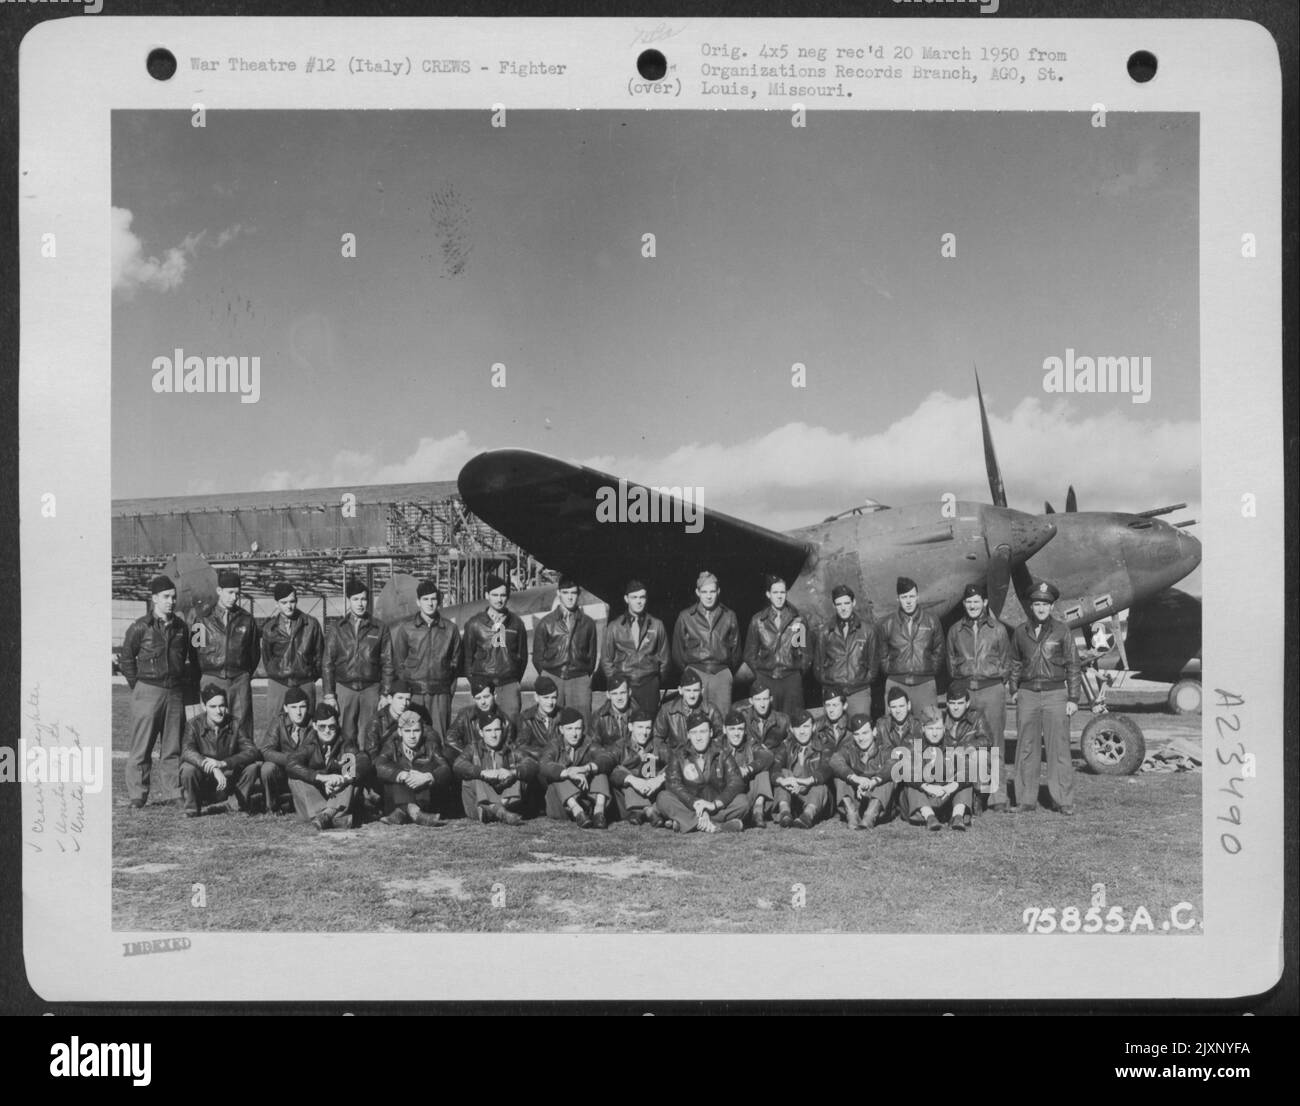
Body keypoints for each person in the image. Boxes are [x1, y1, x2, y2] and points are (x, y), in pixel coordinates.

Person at [1009, 580, 1082, 816]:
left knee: (1059, 748)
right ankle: (1025, 799)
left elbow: (1073, 664)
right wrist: (1013, 689)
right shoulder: (1020, 631)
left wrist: (1073, 697)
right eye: (1037, 604)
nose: (1041, 608)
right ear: (1031, 606)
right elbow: (1015, 662)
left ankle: (1063, 800)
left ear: (1052, 607)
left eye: (1046, 604)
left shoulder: (1062, 631)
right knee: (1026, 748)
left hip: (1055, 694)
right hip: (1028, 693)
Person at [120, 574, 193, 808]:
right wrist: (138, 685)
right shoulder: (141, 627)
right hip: (148, 690)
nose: (171, 601)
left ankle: (173, 792)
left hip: (174, 693)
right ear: (154, 599)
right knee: (141, 746)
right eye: (166, 597)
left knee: (172, 746)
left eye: (173, 597)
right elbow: (126, 659)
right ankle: (137, 795)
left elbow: (190, 658)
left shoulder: (182, 628)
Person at [946, 582, 1013, 811]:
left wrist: (994, 682)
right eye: (968, 602)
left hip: (991, 689)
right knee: (965, 741)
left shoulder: (998, 629)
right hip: (965, 690)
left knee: (994, 742)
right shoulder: (955, 631)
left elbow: (1006, 662)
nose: (973, 605)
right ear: (964, 604)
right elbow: (951, 663)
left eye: (977, 601)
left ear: (984, 602)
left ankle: (997, 796)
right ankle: (971, 794)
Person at [384, 579, 462, 739]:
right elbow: (398, 663)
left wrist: (448, 693)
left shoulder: (450, 629)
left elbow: (455, 664)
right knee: (413, 736)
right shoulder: (406, 628)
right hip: (415, 694)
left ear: (439, 601)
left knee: (439, 739)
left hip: (440, 694)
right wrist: (406, 693)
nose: (430, 603)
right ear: (418, 602)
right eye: (425, 599)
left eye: (433, 599)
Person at [193, 569, 261, 746]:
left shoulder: (247, 620)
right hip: (211, 679)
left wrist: (243, 674)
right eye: (230, 593)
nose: (234, 598)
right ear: (219, 591)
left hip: (239, 680)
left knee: (242, 726)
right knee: (210, 727)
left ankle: (243, 769)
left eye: (237, 593)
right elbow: (194, 653)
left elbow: (254, 653)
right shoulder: (201, 620)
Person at [323, 578, 390, 749]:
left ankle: (367, 774)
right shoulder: (338, 628)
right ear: (348, 601)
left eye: (364, 599)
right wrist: (329, 694)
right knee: (346, 736)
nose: (360, 603)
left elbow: (387, 662)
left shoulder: (379, 628)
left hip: (371, 690)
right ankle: (348, 773)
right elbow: (327, 663)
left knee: (369, 735)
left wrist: (385, 693)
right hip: (345, 690)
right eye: (356, 599)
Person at [897, 702, 987, 831]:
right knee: (912, 785)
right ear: (923, 728)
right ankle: (930, 818)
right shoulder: (912, 743)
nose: (935, 734)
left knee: (963, 783)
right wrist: (927, 787)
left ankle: (957, 817)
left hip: (945, 797)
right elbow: (904, 768)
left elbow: (968, 769)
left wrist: (953, 785)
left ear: (944, 728)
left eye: (938, 729)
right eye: (931, 729)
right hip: (923, 799)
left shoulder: (953, 744)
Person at [655, 713, 749, 833]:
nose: (698, 737)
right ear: (688, 735)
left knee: (743, 802)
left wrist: (714, 805)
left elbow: (736, 782)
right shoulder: (679, 755)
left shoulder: (722, 753)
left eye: (703, 732)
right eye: (694, 733)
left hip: (716, 808)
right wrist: (695, 803)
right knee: (663, 798)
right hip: (690, 806)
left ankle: (687, 822)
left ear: (710, 733)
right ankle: (716, 826)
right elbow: (673, 783)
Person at [179, 684, 260, 818]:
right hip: (205, 779)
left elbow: (252, 751)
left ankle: (236, 805)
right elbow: (187, 751)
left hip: (228, 778)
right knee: (188, 769)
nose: (219, 711)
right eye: (213, 706)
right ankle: (192, 808)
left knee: (252, 768)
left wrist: (224, 763)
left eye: (222, 706)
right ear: (204, 706)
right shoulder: (193, 725)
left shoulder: (235, 723)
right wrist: (212, 767)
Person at [286, 702, 368, 830]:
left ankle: (325, 816)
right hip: (315, 795)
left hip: (338, 793)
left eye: (331, 727)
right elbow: (291, 763)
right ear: (314, 725)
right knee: (294, 778)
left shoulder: (345, 742)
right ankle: (335, 818)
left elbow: (362, 759)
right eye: (322, 727)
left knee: (352, 776)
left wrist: (344, 779)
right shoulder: (309, 743)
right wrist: (322, 778)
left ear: (337, 725)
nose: (327, 731)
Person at [671, 571, 742, 714]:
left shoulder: (729, 616)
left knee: (722, 717)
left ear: (718, 591)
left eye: (712, 591)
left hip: (721, 674)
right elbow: (677, 652)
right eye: (704, 592)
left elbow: (736, 652)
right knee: (696, 718)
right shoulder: (685, 616)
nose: (709, 596)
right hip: (695, 672)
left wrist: (726, 672)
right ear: (697, 592)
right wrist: (689, 671)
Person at [461, 574, 528, 726]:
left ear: (508, 597)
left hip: (508, 685)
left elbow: (522, 656)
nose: (499, 599)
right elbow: (467, 658)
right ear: (487, 596)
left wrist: (514, 680)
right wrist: (477, 684)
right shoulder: (474, 624)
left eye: (503, 595)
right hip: (484, 685)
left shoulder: (517, 624)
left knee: (511, 725)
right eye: (495, 595)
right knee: (485, 727)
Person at [531, 577, 599, 720]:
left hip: (579, 677)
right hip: (553, 675)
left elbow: (591, 656)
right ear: (558, 593)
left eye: (573, 593)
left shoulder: (588, 623)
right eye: (565, 592)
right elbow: (537, 657)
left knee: (582, 719)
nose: (570, 597)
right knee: (552, 719)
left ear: (578, 594)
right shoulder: (546, 623)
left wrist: (584, 676)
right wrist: (547, 674)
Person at [601, 579, 671, 716]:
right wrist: (617, 683)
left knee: (648, 726)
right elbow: (606, 659)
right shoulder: (614, 627)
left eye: (642, 597)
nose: (639, 601)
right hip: (624, 683)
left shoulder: (657, 625)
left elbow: (665, 659)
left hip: (648, 685)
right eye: (634, 597)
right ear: (626, 599)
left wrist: (655, 681)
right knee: (625, 726)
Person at [876, 576, 945, 715]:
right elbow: (882, 653)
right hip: (897, 683)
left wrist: (929, 670)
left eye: (912, 596)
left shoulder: (932, 621)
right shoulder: (887, 623)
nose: (908, 601)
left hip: (924, 684)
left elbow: (939, 649)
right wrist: (891, 670)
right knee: (895, 729)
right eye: (904, 597)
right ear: (898, 599)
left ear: (917, 597)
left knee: (928, 727)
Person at [742, 574, 810, 715]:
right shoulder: (758, 621)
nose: (779, 596)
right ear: (768, 594)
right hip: (767, 680)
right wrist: (762, 673)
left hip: (791, 680)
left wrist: (796, 673)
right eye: (775, 592)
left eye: (782, 592)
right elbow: (749, 654)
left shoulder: (797, 620)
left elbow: (806, 654)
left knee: (794, 721)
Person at [453, 713, 536, 824]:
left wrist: (512, 772)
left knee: (519, 774)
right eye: (488, 731)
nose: (493, 735)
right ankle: (498, 810)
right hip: (477, 806)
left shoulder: (511, 749)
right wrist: (482, 772)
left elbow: (531, 763)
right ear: (481, 733)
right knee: (473, 776)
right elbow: (458, 764)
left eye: (497, 730)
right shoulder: (473, 748)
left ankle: (496, 809)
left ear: (503, 731)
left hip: (507, 801)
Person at [371, 709, 450, 827]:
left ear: (422, 731)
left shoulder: (430, 745)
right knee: (394, 768)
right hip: (395, 798)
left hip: (423, 797)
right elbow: (378, 765)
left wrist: (427, 777)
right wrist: (401, 774)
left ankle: (402, 813)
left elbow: (445, 768)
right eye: (407, 731)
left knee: (429, 766)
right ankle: (414, 812)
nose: (412, 736)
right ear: (400, 732)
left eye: (416, 731)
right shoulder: (391, 745)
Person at [539, 707, 614, 829]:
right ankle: (577, 812)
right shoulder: (554, 745)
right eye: (569, 729)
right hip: (561, 803)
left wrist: (586, 768)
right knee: (558, 776)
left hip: (585, 798)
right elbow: (543, 765)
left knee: (600, 771)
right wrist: (567, 772)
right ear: (561, 729)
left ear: (583, 729)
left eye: (578, 728)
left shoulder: (588, 742)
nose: (574, 734)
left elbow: (606, 758)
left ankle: (599, 813)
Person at [260, 581, 324, 721]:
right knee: (275, 724)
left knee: (307, 724)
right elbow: (266, 657)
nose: (289, 606)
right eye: (284, 602)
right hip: (279, 684)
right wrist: (276, 673)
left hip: (305, 682)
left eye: (292, 601)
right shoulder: (269, 628)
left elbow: (320, 654)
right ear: (276, 604)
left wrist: (310, 675)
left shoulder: (311, 624)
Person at [814, 584, 879, 719]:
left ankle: (918, 742)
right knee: (835, 733)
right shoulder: (825, 632)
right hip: (834, 693)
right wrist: (831, 684)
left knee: (861, 731)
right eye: (839, 604)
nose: (843, 608)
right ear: (834, 605)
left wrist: (861, 682)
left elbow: (873, 666)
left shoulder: (868, 631)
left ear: (853, 603)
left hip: (858, 692)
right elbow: (818, 666)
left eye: (846, 603)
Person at [830, 713, 897, 830]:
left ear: (874, 732)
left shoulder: (885, 749)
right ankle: (852, 815)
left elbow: (892, 764)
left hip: (879, 803)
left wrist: (873, 781)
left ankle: (869, 817)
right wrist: (856, 779)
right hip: (857, 800)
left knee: (888, 779)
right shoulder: (849, 748)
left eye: (865, 733)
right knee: (840, 775)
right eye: (857, 734)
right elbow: (835, 760)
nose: (861, 738)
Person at [942, 679, 997, 819]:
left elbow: (987, 739)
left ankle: (978, 798)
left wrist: (964, 747)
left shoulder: (976, 717)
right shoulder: (940, 718)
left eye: (960, 703)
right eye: (952, 704)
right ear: (947, 704)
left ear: (967, 703)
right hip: (946, 764)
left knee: (981, 757)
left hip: (967, 762)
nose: (956, 708)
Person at [769, 710, 834, 828]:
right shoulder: (786, 745)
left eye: (806, 726)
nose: (802, 731)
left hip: (816, 798)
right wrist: (784, 781)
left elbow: (826, 767)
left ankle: (807, 816)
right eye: (797, 727)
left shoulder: (823, 744)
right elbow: (775, 767)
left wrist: (806, 781)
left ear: (813, 727)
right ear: (792, 729)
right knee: (783, 773)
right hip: (794, 796)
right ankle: (785, 813)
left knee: (819, 783)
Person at [256, 684, 313, 815]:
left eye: (302, 707)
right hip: (283, 770)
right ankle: (271, 806)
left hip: (305, 771)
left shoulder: (313, 724)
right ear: (286, 708)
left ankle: (299, 802)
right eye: (294, 707)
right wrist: (290, 760)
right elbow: (265, 750)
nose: (298, 712)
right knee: (267, 768)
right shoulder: (278, 721)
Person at [610, 708, 670, 826]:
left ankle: (642, 811)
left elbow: (678, 762)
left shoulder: (658, 745)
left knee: (668, 771)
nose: (644, 732)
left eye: (648, 728)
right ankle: (647, 810)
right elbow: (610, 769)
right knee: (621, 771)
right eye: (640, 727)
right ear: (631, 727)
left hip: (652, 791)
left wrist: (659, 779)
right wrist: (633, 780)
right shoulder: (620, 745)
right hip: (627, 798)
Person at [721, 708, 775, 829]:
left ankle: (758, 811)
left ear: (745, 730)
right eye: (732, 729)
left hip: (746, 792)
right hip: (725, 793)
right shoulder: (717, 746)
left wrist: (748, 768)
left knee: (762, 772)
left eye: (740, 729)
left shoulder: (749, 743)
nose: (736, 733)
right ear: (724, 730)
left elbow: (768, 756)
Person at [652, 666, 724, 749]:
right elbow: (657, 738)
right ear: (680, 690)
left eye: (695, 690)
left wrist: (707, 755)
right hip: (676, 758)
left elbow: (720, 737)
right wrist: (671, 757)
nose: (692, 695)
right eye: (688, 690)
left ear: (702, 690)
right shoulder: (667, 710)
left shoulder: (711, 710)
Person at [739, 684, 790, 752]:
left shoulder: (783, 720)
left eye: (765, 699)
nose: (762, 704)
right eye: (758, 699)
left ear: (771, 699)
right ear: (751, 701)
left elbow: (791, 745)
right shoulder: (743, 718)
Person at [592, 670, 635, 751]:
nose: (619, 698)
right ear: (608, 695)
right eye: (615, 694)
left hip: (634, 758)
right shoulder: (599, 716)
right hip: (608, 759)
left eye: (622, 693)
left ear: (629, 692)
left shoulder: (639, 714)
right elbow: (592, 745)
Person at [813, 685, 851, 750]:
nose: (831, 710)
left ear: (844, 706)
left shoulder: (851, 726)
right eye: (828, 705)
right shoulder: (817, 726)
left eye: (835, 705)